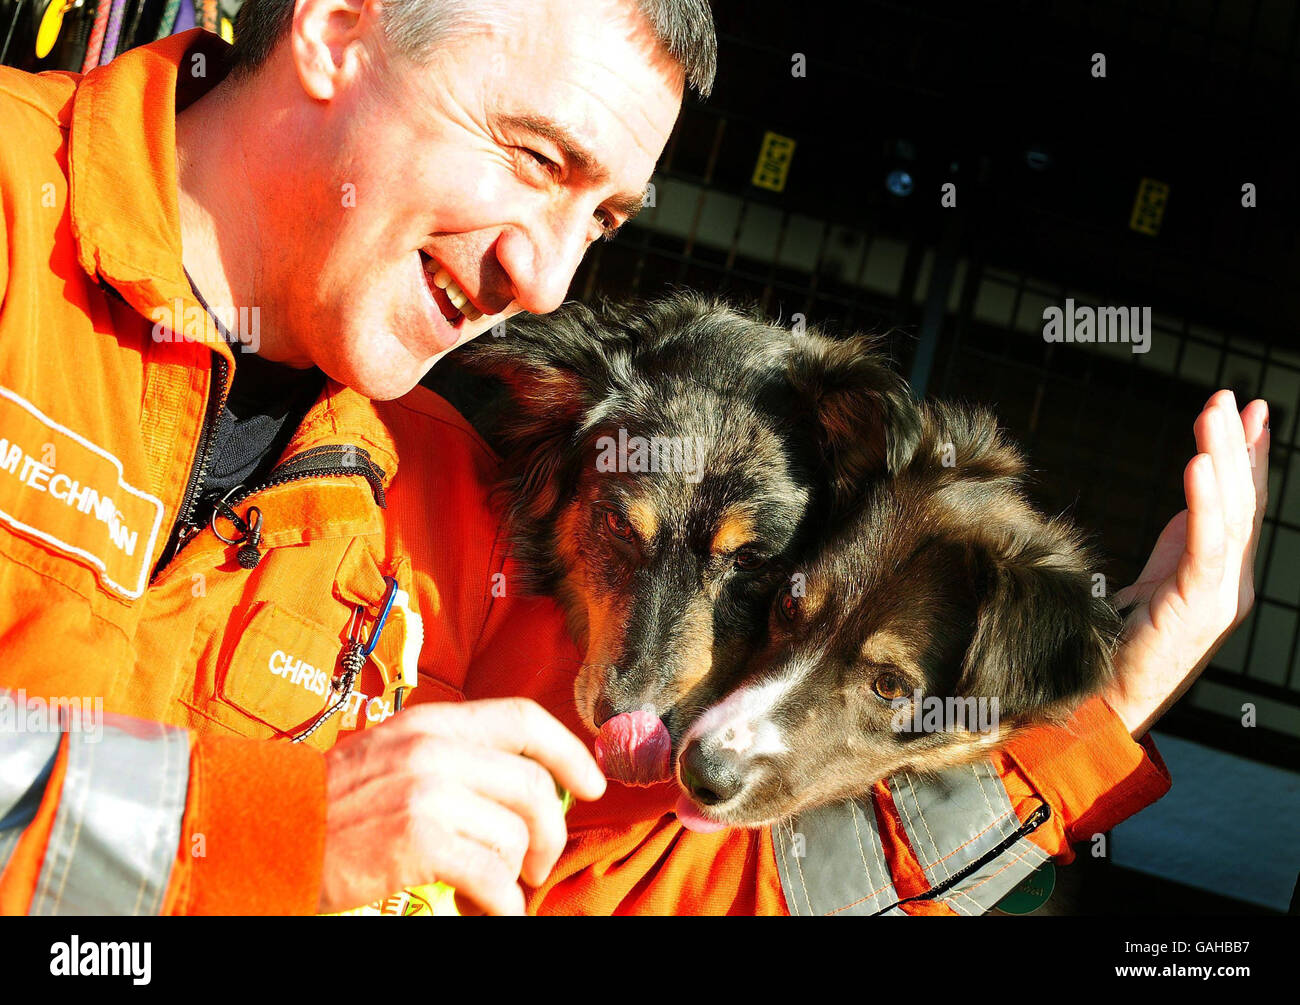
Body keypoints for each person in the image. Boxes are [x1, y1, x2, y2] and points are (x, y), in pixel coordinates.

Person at [0, 0, 1268, 916]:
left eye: (601, 216)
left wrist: (1114, 693)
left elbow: (677, 887)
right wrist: (270, 832)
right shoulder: (16, 215)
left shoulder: (470, 503)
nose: (545, 275)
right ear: (338, 27)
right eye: (534, 156)